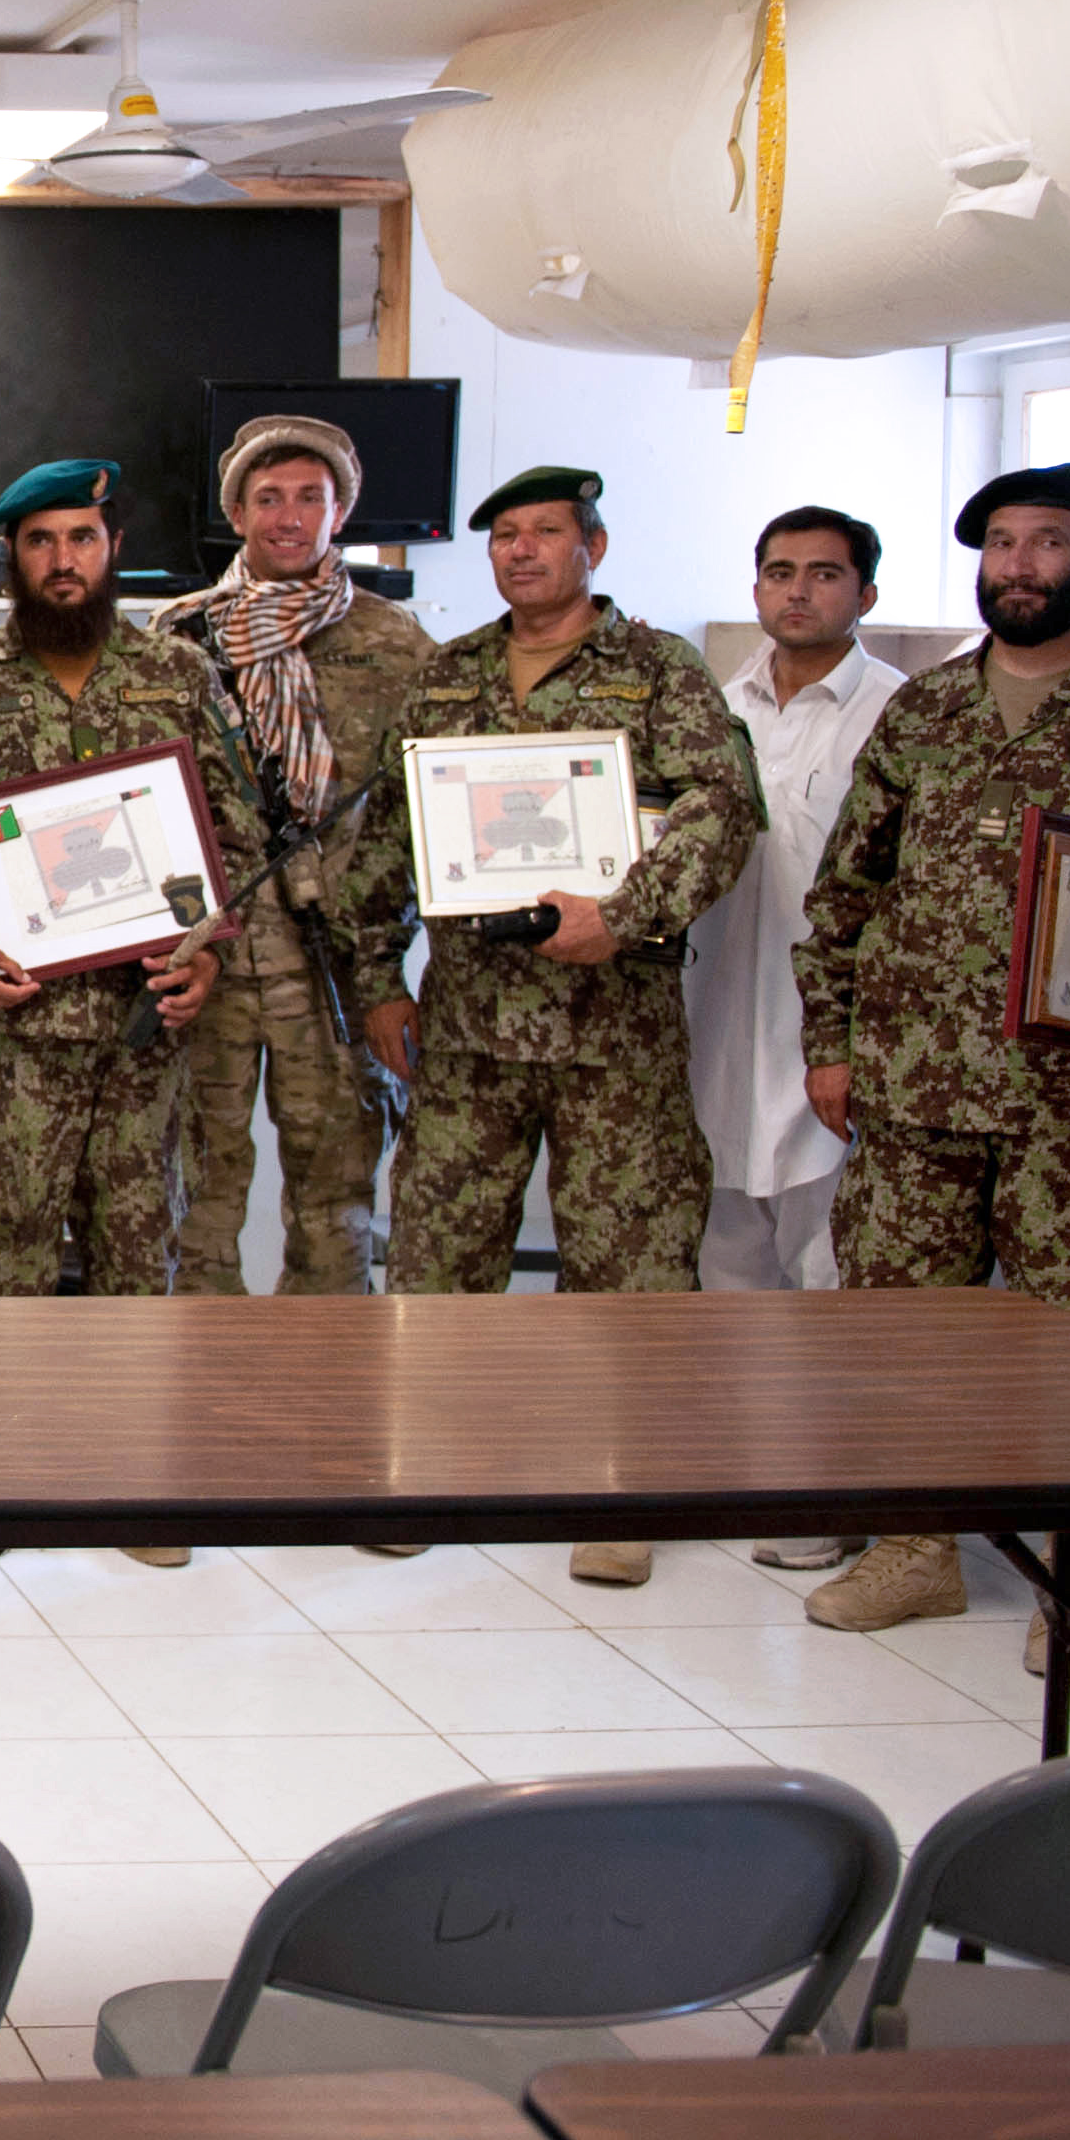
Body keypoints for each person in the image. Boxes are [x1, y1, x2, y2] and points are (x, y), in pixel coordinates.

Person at [795, 463, 1070, 1668]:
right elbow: (846, 892)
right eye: (999, 543)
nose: (1018, 566)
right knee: (897, 1327)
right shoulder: (925, 713)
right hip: (913, 1085)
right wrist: (828, 1045)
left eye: (1046, 543)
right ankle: (913, 1546)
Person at [340, 466, 762, 1592]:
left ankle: (615, 1489)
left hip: (611, 1032)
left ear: (594, 548)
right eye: (505, 538)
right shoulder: (451, 676)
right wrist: (378, 976)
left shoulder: (659, 672)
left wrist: (621, 918)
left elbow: (723, 814)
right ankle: (423, 1467)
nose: (522, 553)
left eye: (545, 535)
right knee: (436, 1254)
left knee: (626, 1267)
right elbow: (388, 834)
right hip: (468, 1033)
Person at [0, 459, 249, 1348]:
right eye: (40, 541)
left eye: (81, 539)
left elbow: (235, 843)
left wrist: (208, 952)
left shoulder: (184, 676)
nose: (62, 560)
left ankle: (120, 1482)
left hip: (143, 1039)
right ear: (13, 555)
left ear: (113, 547)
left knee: (135, 1279)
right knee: (3, 1287)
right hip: (11, 1046)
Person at [154, 415, 432, 1295]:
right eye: (267, 497)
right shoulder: (175, 640)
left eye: (310, 496)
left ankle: (330, 1394)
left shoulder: (398, 644)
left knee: (337, 1191)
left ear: (339, 512)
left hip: (338, 958)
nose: (288, 516)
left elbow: (420, 807)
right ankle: (197, 1392)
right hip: (213, 955)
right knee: (198, 1185)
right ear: (236, 512)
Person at [688, 508, 909, 1574]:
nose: (797, 592)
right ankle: (747, 1474)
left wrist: (859, 1036)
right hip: (712, 1023)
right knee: (729, 1264)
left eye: (824, 575)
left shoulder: (899, 719)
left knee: (824, 1272)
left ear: (863, 595)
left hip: (830, 1039)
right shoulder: (705, 708)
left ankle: (830, 1491)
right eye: (778, 571)